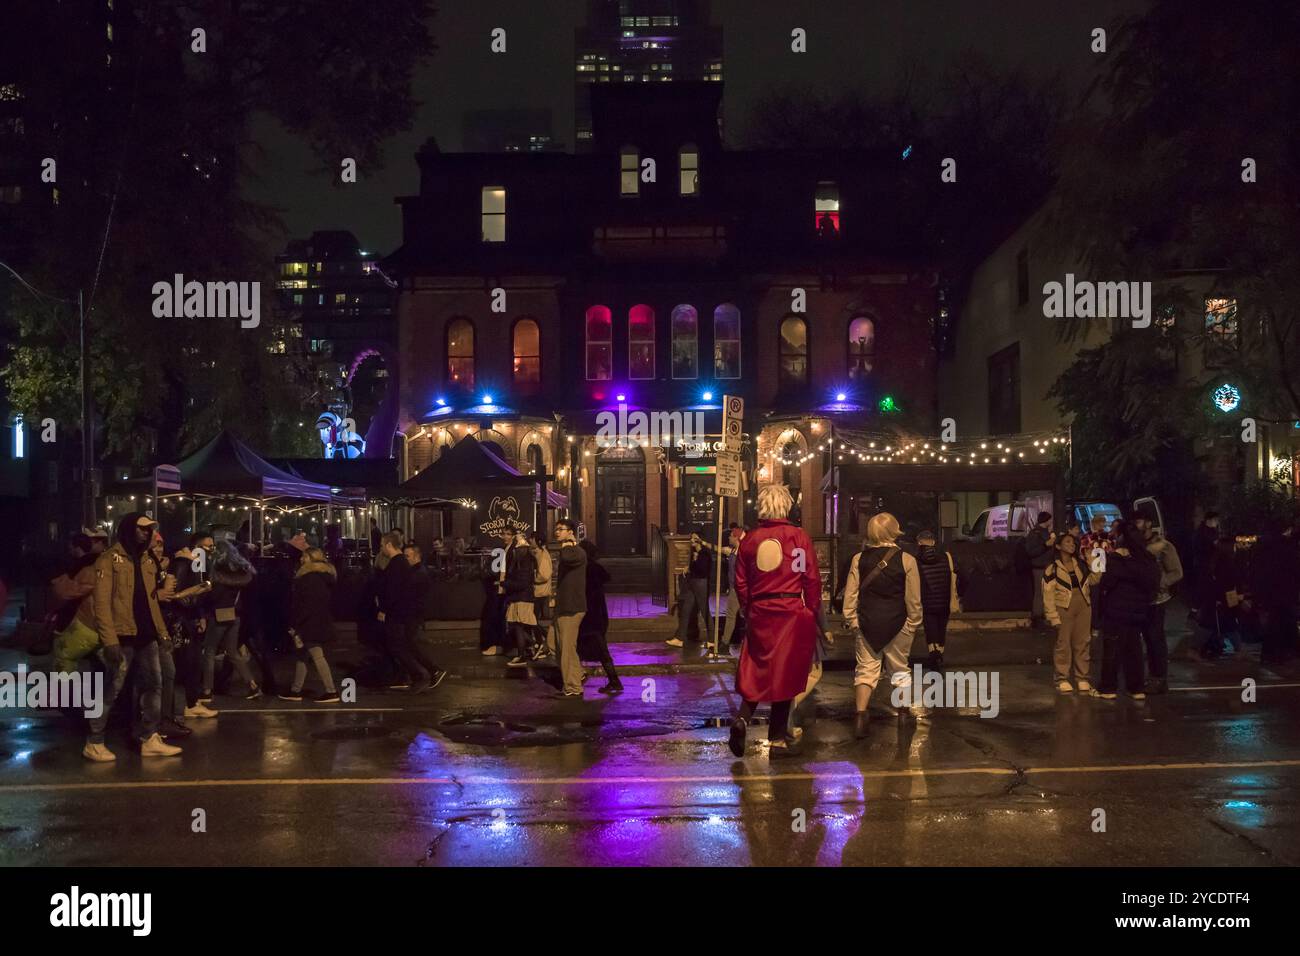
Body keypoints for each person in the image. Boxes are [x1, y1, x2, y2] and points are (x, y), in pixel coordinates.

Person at [729, 484, 825, 758]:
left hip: (761, 608)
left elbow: (741, 582)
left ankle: (742, 718)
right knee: (787, 672)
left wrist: (750, 609)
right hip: (793, 609)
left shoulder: (750, 540)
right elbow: (811, 578)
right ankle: (778, 739)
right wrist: (811, 610)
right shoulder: (798, 536)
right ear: (787, 506)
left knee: (759, 669)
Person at [84, 512, 179, 762]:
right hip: (122, 636)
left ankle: (150, 738)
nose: (146, 533)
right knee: (111, 689)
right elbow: (101, 605)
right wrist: (110, 640)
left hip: (146, 636)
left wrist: (162, 633)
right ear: (128, 529)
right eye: (141, 529)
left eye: (149, 530)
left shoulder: (147, 560)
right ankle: (94, 742)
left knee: (153, 686)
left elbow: (152, 602)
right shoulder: (108, 560)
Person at [842, 512, 922, 738]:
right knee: (900, 670)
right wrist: (913, 623)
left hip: (867, 622)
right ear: (894, 531)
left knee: (865, 671)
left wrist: (852, 620)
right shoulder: (908, 560)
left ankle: (860, 718)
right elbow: (913, 599)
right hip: (898, 623)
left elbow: (851, 595)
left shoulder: (859, 559)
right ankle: (904, 715)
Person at [1095, 524, 1160, 700]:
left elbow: (1107, 581)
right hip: (1138, 610)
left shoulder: (1118, 561)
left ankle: (1108, 687)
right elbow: (1153, 583)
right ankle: (1136, 687)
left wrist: (1115, 557)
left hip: (1116, 610)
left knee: (1112, 650)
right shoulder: (1147, 561)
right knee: (1134, 650)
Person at [200, 538, 261, 702]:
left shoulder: (218, 570)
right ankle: (253, 685)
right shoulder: (242, 571)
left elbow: (213, 596)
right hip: (236, 615)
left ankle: (207, 689)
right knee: (233, 652)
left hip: (219, 614)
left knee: (209, 651)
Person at [278, 547, 341, 703]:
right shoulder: (323, 577)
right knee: (302, 655)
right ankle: (295, 689)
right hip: (318, 620)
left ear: (312, 558)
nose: (301, 559)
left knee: (316, 655)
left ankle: (331, 691)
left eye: (304, 557)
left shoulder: (307, 578)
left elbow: (303, 605)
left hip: (309, 623)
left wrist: (295, 625)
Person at [1133, 511, 1183, 695]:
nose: (1135, 525)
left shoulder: (1164, 546)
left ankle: (1159, 678)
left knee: (1155, 639)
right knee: (1143, 639)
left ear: (1148, 523)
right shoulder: (1135, 545)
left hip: (1157, 599)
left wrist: (1159, 583)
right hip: (1138, 599)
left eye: (1138, 521)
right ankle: (1149, 677)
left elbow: (1176, 572)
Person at [1043, 532, 1099, 693]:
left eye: (1073, 542)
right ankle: (1062, 677)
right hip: (1064, 606)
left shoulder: (1080, 564)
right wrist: (1052, 616)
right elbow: (1047, 594)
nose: (1072, 544)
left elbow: (1095, 580)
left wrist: (1092, 561)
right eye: (1067, 542)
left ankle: (1082, 677)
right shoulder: (1052, 568)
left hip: (1083, 604)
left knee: (1083, 642)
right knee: (1063, 643)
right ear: (1058, 546)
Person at [171, 534, 217, 720]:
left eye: (212, 547)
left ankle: (192, 702)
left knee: (193, 662)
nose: (211, 551)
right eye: (208, 547)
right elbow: (178, 595)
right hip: (181, 621)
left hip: (190, 619)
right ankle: (186, 705)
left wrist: (200, 615)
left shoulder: (198, 566)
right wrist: (196, 597)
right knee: (186, 663)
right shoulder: (184, 564)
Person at [1249, 520, 1299, 665]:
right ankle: (1282, 653)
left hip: (1269, 591)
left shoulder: (1264, 546)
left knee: (1274, 622)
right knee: (1283, 621)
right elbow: (1294, 569)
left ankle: (1270, 654)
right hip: (1285, 591)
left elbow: (1256, 569)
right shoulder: (1287, 547)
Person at [577, 539, 622, 693]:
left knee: (598, 650)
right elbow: (606, 577)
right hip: (599, 612)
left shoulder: (584, 568)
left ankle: (614, 680)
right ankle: (612, 680)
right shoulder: (596, 568)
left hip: (589, 613)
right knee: (600, 649)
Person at [550, 519, 588, 698]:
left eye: (561, 529)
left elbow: (566, 557)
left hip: (572, 607)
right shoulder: (569, 550)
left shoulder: (576, 552)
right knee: (553, 644)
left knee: (566, 648)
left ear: (571, 532)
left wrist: (567, 544)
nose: (557, 532)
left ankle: (572, 687)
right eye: (555, 529)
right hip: (563, 606)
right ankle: (578, 673)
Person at [403, 542, 447, 686]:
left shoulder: (418, 574)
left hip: (413, 614)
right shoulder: (416, 572)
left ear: (416, 557)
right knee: (410, 644)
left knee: (412, 644)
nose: (406, 559)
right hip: (413, 613)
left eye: (407, 556)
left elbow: (413, 596)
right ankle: (423, 672)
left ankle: (433, 670)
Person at [916, 530, 959, 669]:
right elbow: (961, 574)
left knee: (930, 629)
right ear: (933, 542)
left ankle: (933, 653)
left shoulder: (915, 560)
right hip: (944, 600)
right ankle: (940, 653)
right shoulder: (946, 557)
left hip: (926, 602)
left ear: (919, 543)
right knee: (941, 629)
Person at [666, 532, 713, 648]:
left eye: (694, 538)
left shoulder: (704, 553)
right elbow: (693, 568)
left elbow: (703, 571)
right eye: (691, 538)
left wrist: (694, 563)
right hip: (692, 583)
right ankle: (679, 638)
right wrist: (690, 567)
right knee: (686, 609)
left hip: (701, 583)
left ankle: (713, 639)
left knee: (704, 611)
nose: (691, 540)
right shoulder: (694, 553)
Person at [504, 532, 538, 667]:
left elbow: (522, 583)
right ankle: (532, 644)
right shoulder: (525, 562)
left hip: (522, 598)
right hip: (520, 597)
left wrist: (505, 584)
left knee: (517, 626)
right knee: (516, 626)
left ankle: (522, 654)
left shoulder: (523, 563)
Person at [1022, 511, 1056, 628]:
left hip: (1048, 567)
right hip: (1040, 567)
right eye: (1050, 520)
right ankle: (1037, 616)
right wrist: (1046, 545)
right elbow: (1031, 552)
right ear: (1046, 520)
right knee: (1039, 592)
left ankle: (1045, 615)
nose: (1051, 522)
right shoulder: (1035, 534)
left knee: (1047, 592)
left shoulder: (1047, 533)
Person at [530, 532, 554, 662]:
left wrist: (532, 579)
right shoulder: (537, 553)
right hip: (539, 591)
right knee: (532, 618)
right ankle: (545, 640)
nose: (529, 540)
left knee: (532, 618)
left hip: (539, 592)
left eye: (531, 538)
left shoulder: (542, 555)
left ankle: (544, 640)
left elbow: (544, 575)